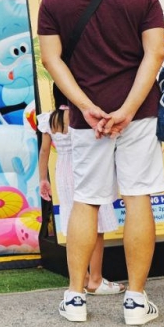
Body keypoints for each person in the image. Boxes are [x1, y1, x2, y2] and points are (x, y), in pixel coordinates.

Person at [38, 0, 164, 325]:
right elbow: (154, 54)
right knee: (137, 197)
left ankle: (75, 297)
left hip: (85, 119)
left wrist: (85, 105)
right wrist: (128, 108)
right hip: (139, 116)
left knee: (86, 200)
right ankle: (135, 300)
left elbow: (51, 59)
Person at [37, 104, 125, 295]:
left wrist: (43, 179)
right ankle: (95, 278)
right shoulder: (83, 115)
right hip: (87, 166)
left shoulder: (50, 119)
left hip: (64, 171)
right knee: (96, 224)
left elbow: (44, 151)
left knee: (74, 223)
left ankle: (80, 278)